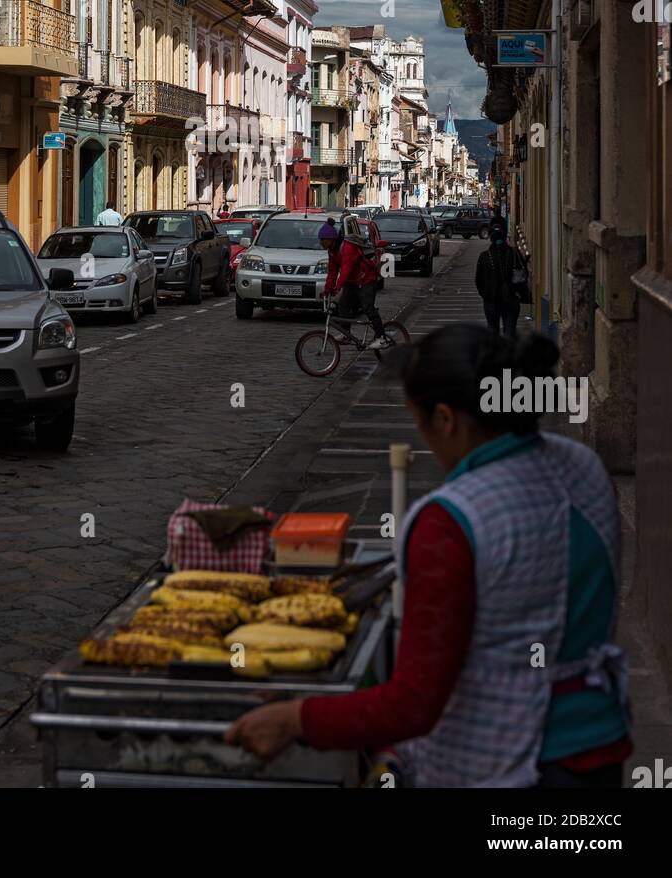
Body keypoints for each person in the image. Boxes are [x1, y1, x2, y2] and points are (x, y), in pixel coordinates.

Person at [225, 325, 631, 788]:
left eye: (415, 418)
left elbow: (414, 703)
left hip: (507, 762)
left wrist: (296, 718)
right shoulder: (586, 469)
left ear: (444, 419)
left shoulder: (450, 521)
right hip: (600, 747)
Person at [318, 218, 385, 350]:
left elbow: (346, 269)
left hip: (366, 279)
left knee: (367, 308)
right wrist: (328, 288)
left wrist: (337, 287)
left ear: (331, 239)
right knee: (343, 305)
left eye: (322, 240)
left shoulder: (347, 247)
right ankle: (346, 335)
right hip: (352, 281)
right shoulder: (332, 251)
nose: (320, 243)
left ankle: (381, 337)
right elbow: (332, 271)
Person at [475, 221, 523, 336]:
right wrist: (517, 292)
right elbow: (522, 276)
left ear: (491, 239)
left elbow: (478, 280)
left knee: (492, 330)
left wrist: (486, 295)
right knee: (510, 331)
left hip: (491, 300)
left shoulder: (485, 256)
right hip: (511, 299)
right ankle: (509, 351)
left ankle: (496, 352)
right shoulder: (513, 253)